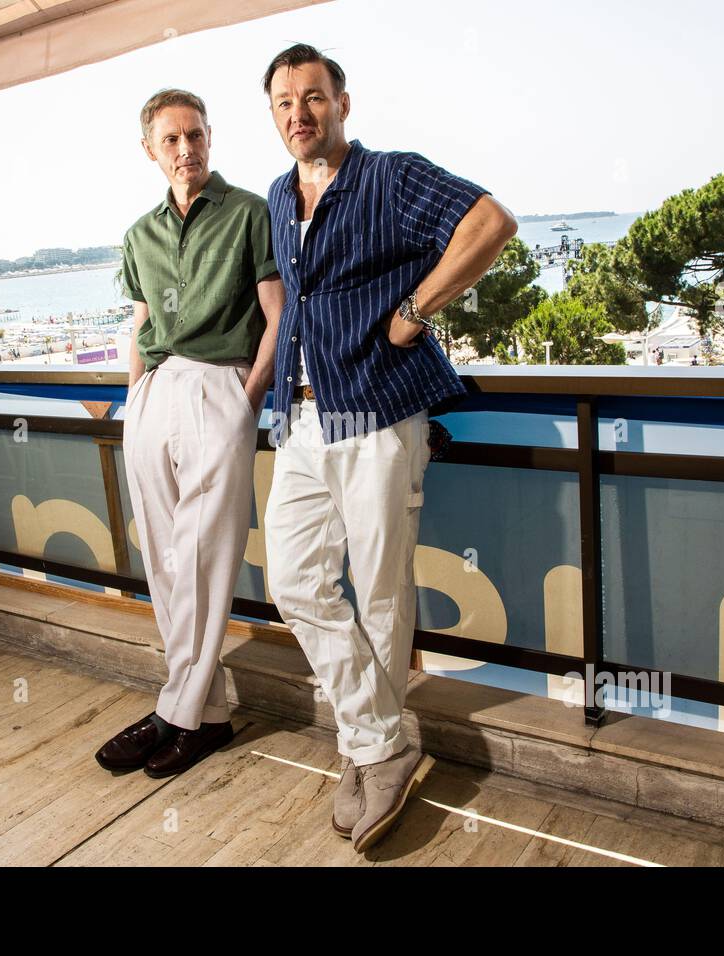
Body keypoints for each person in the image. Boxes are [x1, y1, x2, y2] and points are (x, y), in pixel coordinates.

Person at [260, 44, 516, 851]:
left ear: (342, 103)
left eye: (313, 96)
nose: (299, 112)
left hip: (374, 412)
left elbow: (490, 224)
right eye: (283, 102)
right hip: (303, 418)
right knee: (296, 581)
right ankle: (381, 739)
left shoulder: (390, 176)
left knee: (376, 595)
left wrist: (416, 309)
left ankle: (367, 748)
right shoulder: (277, 195)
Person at [94, 88, 282, 778]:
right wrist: (134, 394)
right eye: (171, 139)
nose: (186, 149)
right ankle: (202, 715)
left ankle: (175, 711)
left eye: (196, 135)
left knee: (205, 558)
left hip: (218, 386)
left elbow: (277, 312)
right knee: (167, 562)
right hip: (153, 395)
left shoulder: (250, 214)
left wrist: (247, 395)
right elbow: (142, 323)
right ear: (151, 149)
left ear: (211, 138)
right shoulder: (138, 234)